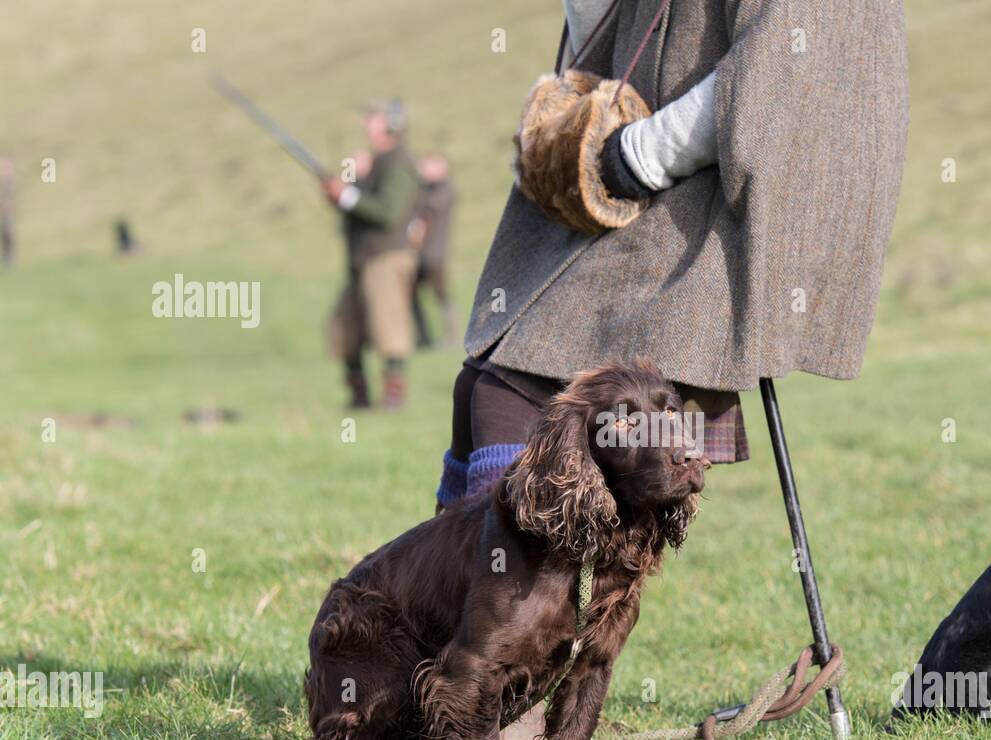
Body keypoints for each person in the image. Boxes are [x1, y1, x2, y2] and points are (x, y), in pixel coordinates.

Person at [435, 0, 908, 506]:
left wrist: (639, 155)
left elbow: (785, 71)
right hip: (666, 193)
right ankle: (457, 581)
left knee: (515, 396)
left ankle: (509, 571)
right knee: (480, 391)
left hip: (723, 206)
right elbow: (605, 37)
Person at [321, 99, 421, 409]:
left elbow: (389, 212)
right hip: (364, 260)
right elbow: (358, 208)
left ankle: (393, 396)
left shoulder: (399, 162)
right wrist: (345, 190)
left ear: (390, 124)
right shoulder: (378, 162)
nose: (367, 123)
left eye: (374, 118)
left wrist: (348, 194)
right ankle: (358, 395)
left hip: (386, 258)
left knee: (388, 327)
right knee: (344, 327)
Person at [408, 152, 458, 349]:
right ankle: (423, 336)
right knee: (411, 294)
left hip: (435, 254)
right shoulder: (425, 190)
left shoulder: (445, 191)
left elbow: (427, 208)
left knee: (441, 295)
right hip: (418, 254)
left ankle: (452, 335)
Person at [0, 155, 16, 268]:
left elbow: (10, 201)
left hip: (6, 216)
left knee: (8, 237)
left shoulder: (9, 184)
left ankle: (8, 261)